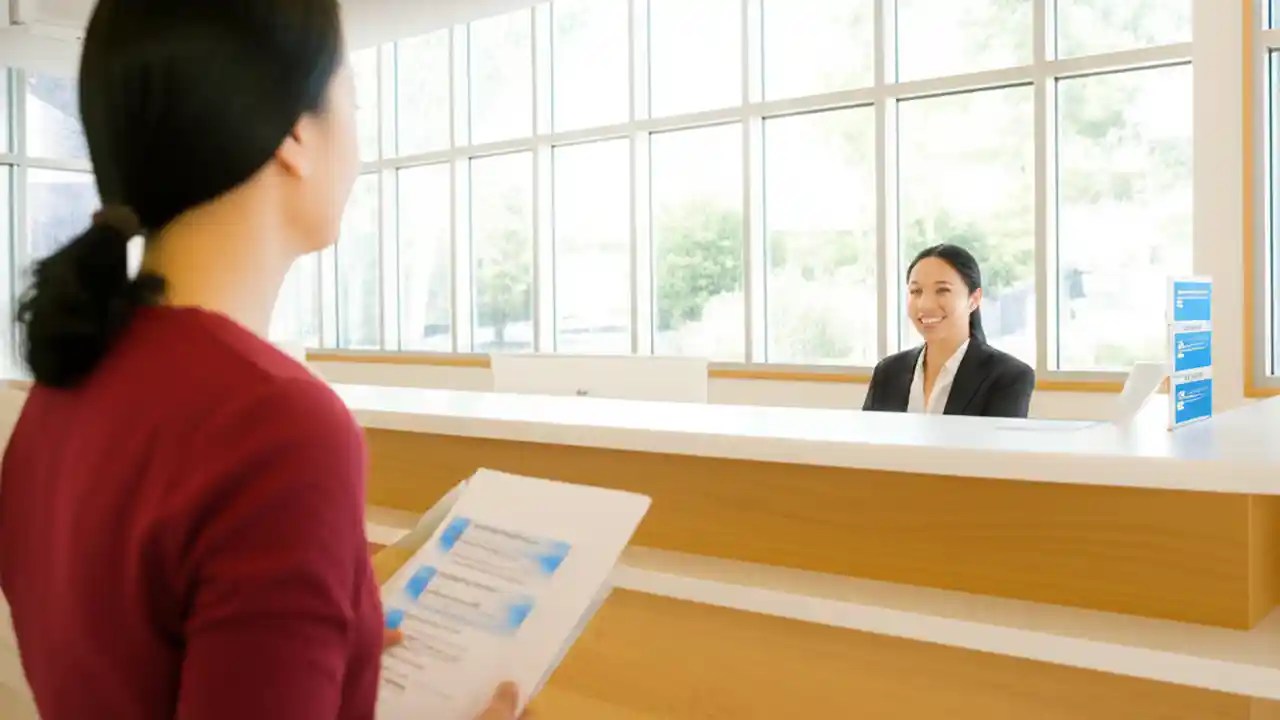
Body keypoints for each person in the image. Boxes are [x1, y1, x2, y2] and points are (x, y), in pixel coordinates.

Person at [0, 1, 524, 718]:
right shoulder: (274, 424)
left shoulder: (60, 394)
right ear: (294, 134)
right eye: (354, 100)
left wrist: (303, 656)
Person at [863, 244, 1035, 418]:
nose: (925, 305)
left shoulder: (1008, 376)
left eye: (942, 290)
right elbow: (867, 442)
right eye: (916, 291)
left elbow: (996, 445)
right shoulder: (888, 372)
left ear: (974, 299)